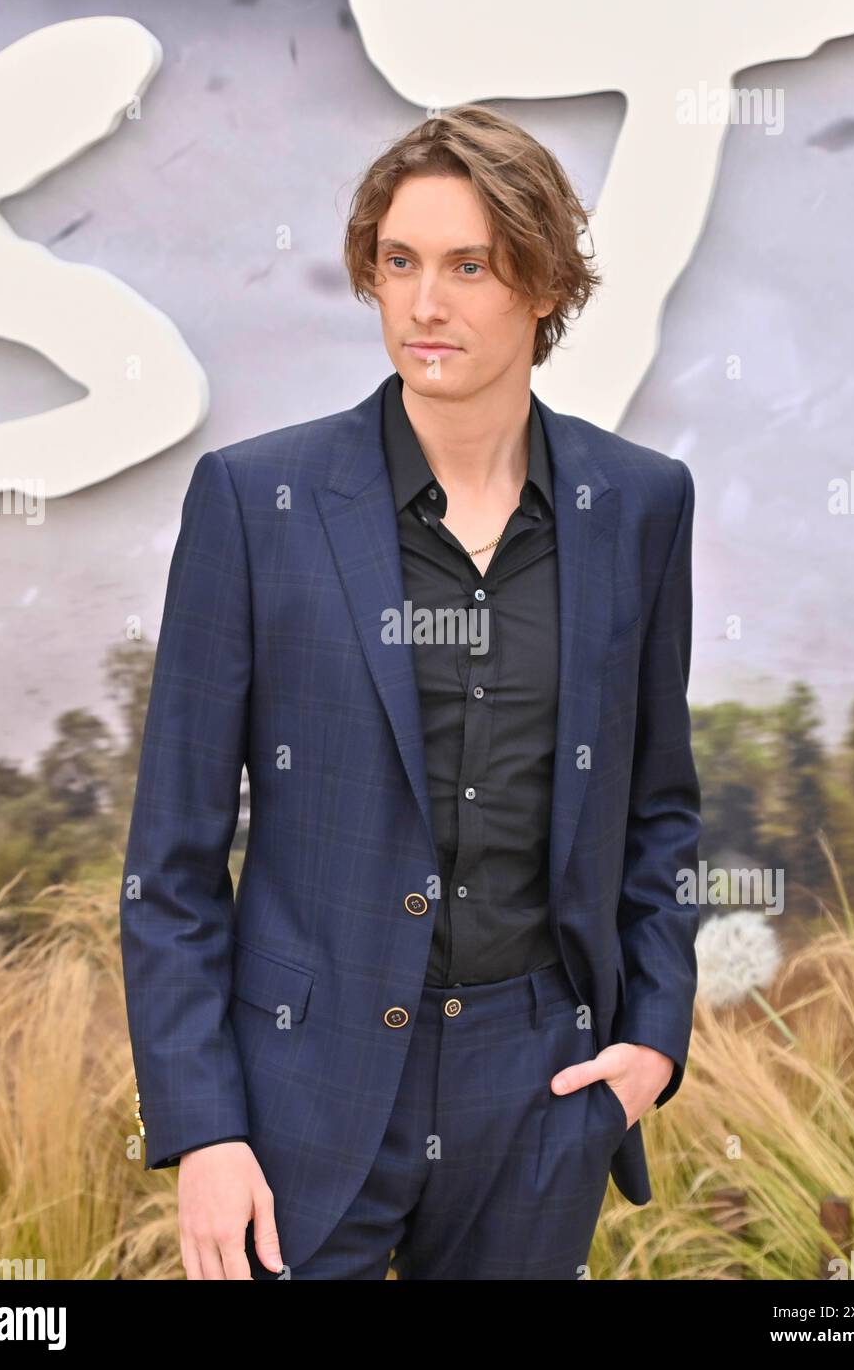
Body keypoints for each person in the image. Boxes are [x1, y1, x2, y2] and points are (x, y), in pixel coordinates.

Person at [120, 103, 700, 1281]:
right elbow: (171, 858)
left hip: (541, 1086)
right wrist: (205, 1127)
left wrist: (649, 1040)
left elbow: (659, 805)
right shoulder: (252, 501)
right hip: (299, 1090)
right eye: (398, 262)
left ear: (542, 285)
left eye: (467, 266)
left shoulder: (638, 503)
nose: (423, 303)